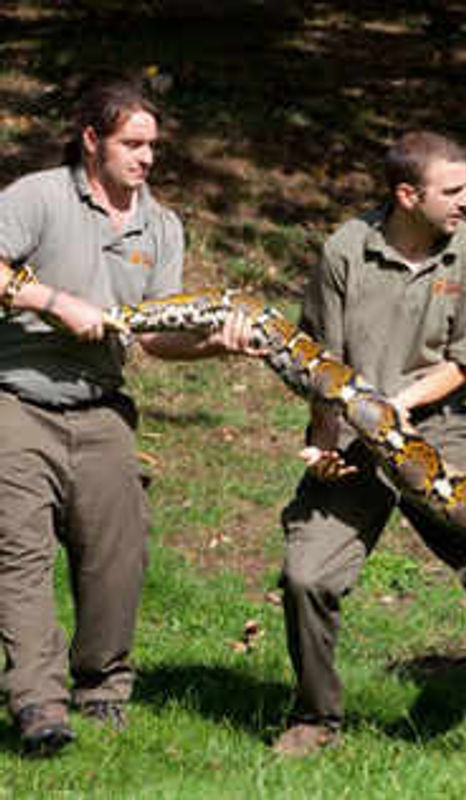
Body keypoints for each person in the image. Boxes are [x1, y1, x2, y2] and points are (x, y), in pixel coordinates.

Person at [271, 131, 466, 765]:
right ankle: (315, 717)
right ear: (407, 195)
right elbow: (323, 364)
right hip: (351, 430)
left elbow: (464, 366)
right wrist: (325, 444)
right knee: (305, 576)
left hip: (439, 427)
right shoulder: (345, 249)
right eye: (452, 190)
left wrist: (394, 411)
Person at [0, 77, 257, 756]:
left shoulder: (159, 224)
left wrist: (214, 345)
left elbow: (154, 335)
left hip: (103, 409)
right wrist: (53, 302)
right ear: (92, 140)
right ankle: (37, 705)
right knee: (18, 555)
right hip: (16, 402)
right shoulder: (39, 197)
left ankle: (103, 689)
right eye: (132, 144)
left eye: (152, 146)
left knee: (118, 557)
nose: (146, 158)